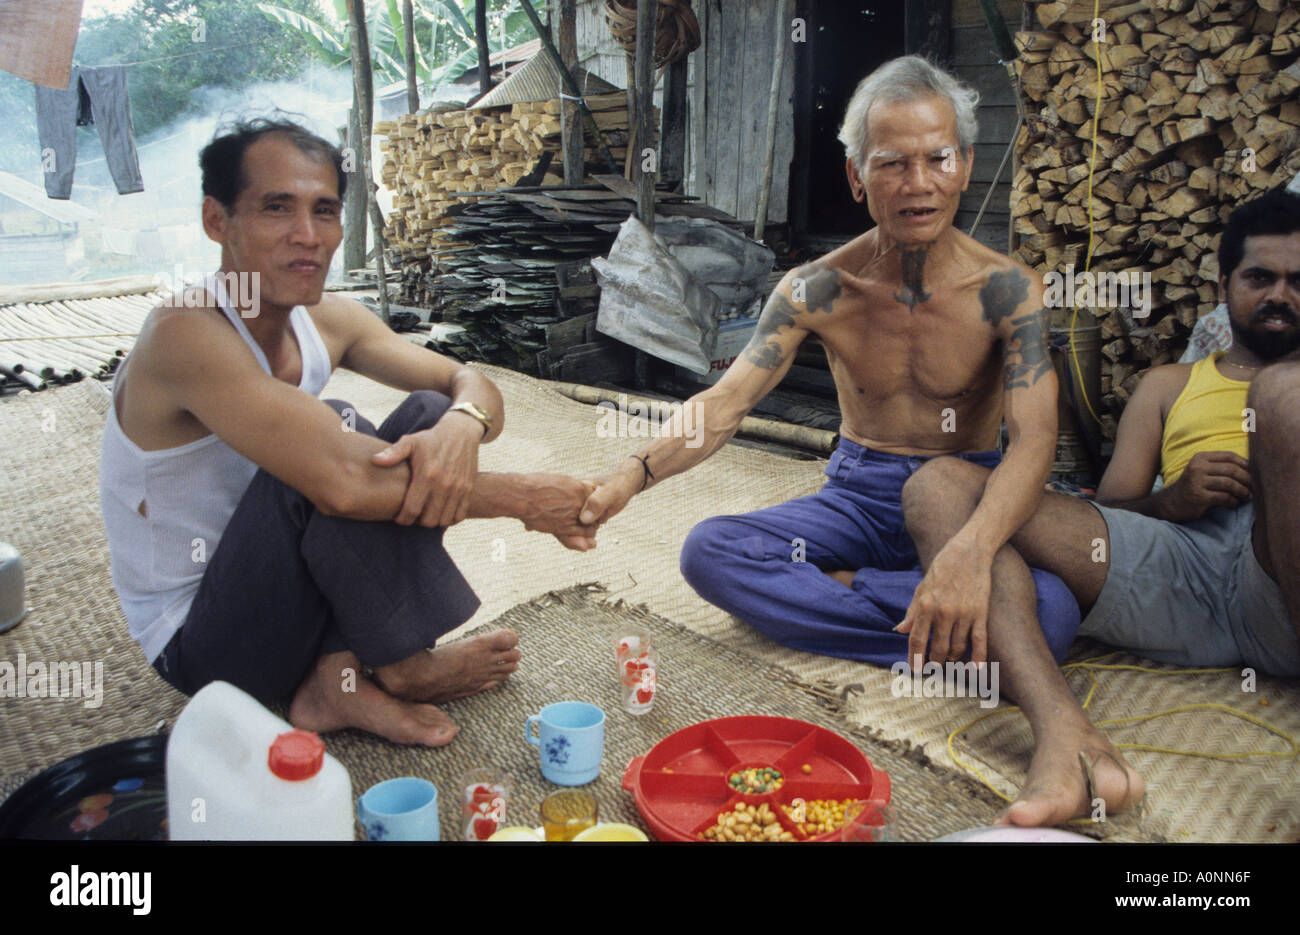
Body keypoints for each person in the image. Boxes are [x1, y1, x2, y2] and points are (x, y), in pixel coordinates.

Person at [100, 118, 598, 748]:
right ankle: (404, 666)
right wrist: (525, 501)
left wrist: (463, 427)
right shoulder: (183, 332)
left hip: (295, 601)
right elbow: (343, 481)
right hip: (208, 644)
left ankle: (329, 684)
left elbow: (471, 382)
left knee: (423, 414)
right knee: (338, 439)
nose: (307, 237)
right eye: (276, 208)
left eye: (325, 210)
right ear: (217, 221)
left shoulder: (329, 319)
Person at [579, 56, 1079, 670]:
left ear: (966, 165)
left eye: (938, 158)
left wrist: (972, 552)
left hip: (963, 497)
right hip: (857, 500)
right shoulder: (814, 289)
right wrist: (632, 474)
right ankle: (934, 621)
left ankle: (853, 591)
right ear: (856, 176)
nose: (918, 182)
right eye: (892, 162)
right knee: (711, 552)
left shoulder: (1010, 290)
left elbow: (1035, 440)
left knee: (1053, 614)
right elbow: (724, 404)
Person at [901, 186, 1300, 824]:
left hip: (1280, 570)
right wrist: (1175, 499)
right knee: (938, 485)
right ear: (1225, 285)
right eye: (1261, 277)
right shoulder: (1170, 385)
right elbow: (1113, 505)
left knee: (1283, 394)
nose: (1280, 294)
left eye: (1298, 280)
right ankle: (1063, 734)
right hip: (1185, 566)